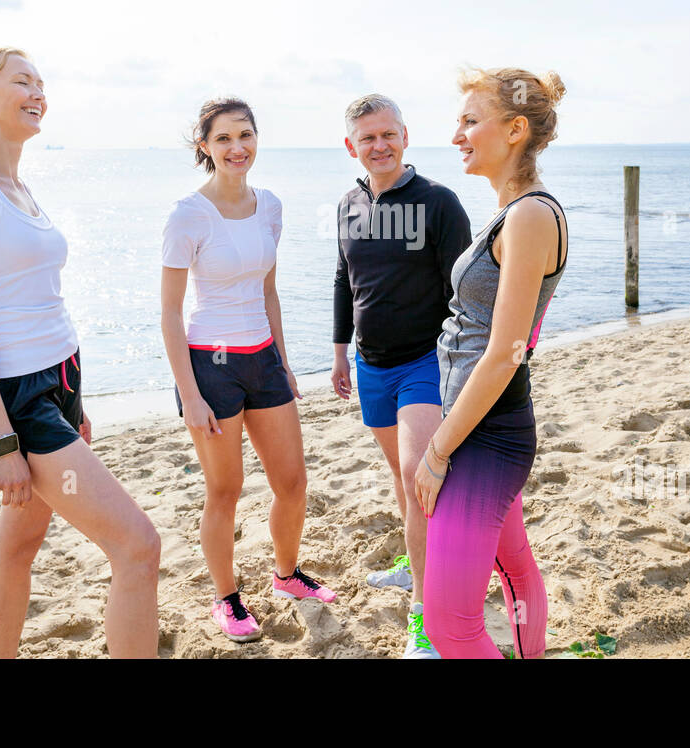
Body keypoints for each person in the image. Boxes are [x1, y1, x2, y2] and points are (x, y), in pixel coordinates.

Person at [0, 47, 161, 658]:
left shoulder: (18, 185)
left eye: (40, 83)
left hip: (57, 382)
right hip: (18, 401)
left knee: (18, 546)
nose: (37, 92)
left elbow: (38, 300)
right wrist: (2, 444)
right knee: (138, 546)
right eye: (21, 81)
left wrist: (72, 399)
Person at [161, 97, 336, 644]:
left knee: (292, 481)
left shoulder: (271, 206)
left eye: (246, 135)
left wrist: (284, 364)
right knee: (225, 490)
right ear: (205, 148)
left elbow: (269, 290)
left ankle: (286, 577)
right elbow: (168, 311)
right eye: (223, 139)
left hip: (262, 359)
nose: (237, 148)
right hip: (210, 366)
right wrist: (189, 395)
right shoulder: (188, 214)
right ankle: (227, 598)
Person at [414, 67, 569, 659]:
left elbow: (506, 352)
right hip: (481, 427)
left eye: (470, 121)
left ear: (515, 130)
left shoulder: (530, 216)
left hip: (487, 438)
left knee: (449, 627)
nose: (457, 135)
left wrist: (436, 452)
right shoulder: (516, 212)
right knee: (514, 569)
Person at [331, 94, 471, 658]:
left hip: (425, 361)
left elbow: (468, 293)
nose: (379, 145)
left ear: (406, 136)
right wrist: (340, 352)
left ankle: (423, 611)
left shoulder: (439, 202)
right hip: (371, 363)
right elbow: (344, 281)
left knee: (418, 473)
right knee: (400, 472)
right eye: (367, 138)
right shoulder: (347, 204)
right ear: (352, 147)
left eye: (388, 134)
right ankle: (414, 560)